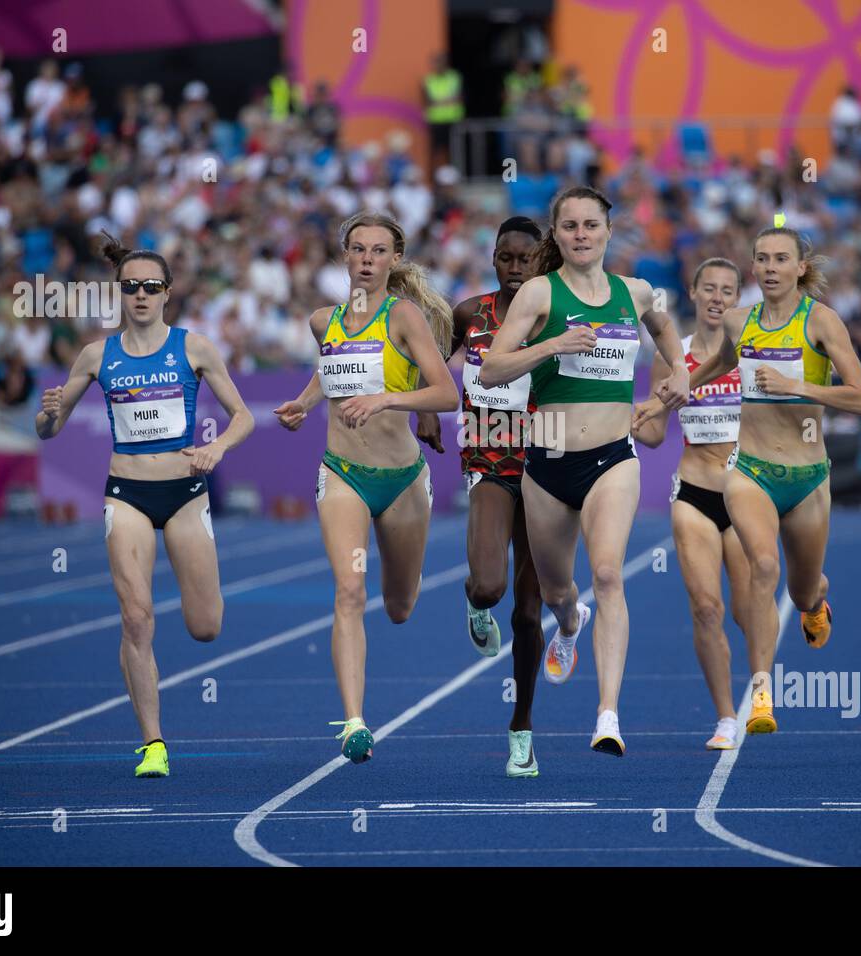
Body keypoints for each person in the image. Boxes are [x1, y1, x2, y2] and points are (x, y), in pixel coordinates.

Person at [479, 185, 690, 756]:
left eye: (590, 225)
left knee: (609, 575)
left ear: (607, 232)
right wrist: (554, 346)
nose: (580, 235)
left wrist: (680, 372)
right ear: (557, 234)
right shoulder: (539, 295)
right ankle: (569, 626)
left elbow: (666, 327)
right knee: (556, 590)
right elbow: (493, 369)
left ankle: (608, 715)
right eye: (569, 226)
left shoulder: (635, 291)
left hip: (611, 457)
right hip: (545, 461)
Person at [36, 233, 254, 777]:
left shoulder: (194, 348)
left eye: (150, 287)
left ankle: (159, 719)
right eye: (131, 287)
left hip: (184, 493)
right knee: (136, 618)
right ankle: (153, 743)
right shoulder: (96, 355)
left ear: (167, 293)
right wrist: (47, 413)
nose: (140, 295)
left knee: (206, 626)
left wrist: (216, 447)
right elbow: (48, 430)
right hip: (126, 492)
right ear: (119, 293)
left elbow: (244, 417)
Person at [643, 220, 861, 735]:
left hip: (808, 474)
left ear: (800, 268)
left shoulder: (823, 323)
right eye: (762, 259)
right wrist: (661, 397)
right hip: (749, 472)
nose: (770, 268)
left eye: (780, 259)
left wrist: (798, 386)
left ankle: (815, 602)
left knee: (800, 590)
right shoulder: (740, 321)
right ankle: (762, 694)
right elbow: (713, 366)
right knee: (762, 567)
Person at [274, 211, 459, 764]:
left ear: (394, 259)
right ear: (345, 256)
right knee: (349, 592)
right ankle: (354, 721)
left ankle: (404, 575)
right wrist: (305, 404)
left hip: (401, 479)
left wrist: (386, 399)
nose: (368, 260)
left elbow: (447, 394)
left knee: (399, 606)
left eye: (379, 251)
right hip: (342, 475)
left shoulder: (402, 317)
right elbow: (331, 370)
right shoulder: (321, 321)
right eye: (359, 250)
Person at [417, 215, 547, 776]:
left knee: (528, 612)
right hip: (490, 462)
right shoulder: (471, 314)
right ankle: (473, 600)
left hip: (548, 469)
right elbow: (429, 368)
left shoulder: (559, 315)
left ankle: (521, 728)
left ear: (543, 259)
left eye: (525, 258)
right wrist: (425, 411)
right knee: (491, 587)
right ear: (493, 259)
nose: (515, 268)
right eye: (505, 258)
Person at [631, 258, 750, 750]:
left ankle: (811, 593)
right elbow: (656, 434)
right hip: (694, 492)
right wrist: (638, 419)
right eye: (710, 289)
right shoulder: (673, 355)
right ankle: (725, 717)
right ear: (695, 293)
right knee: (706, 608)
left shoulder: (749, 351)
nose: (718, 298)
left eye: (728, 290)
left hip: (746, 492)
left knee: (749, 610)